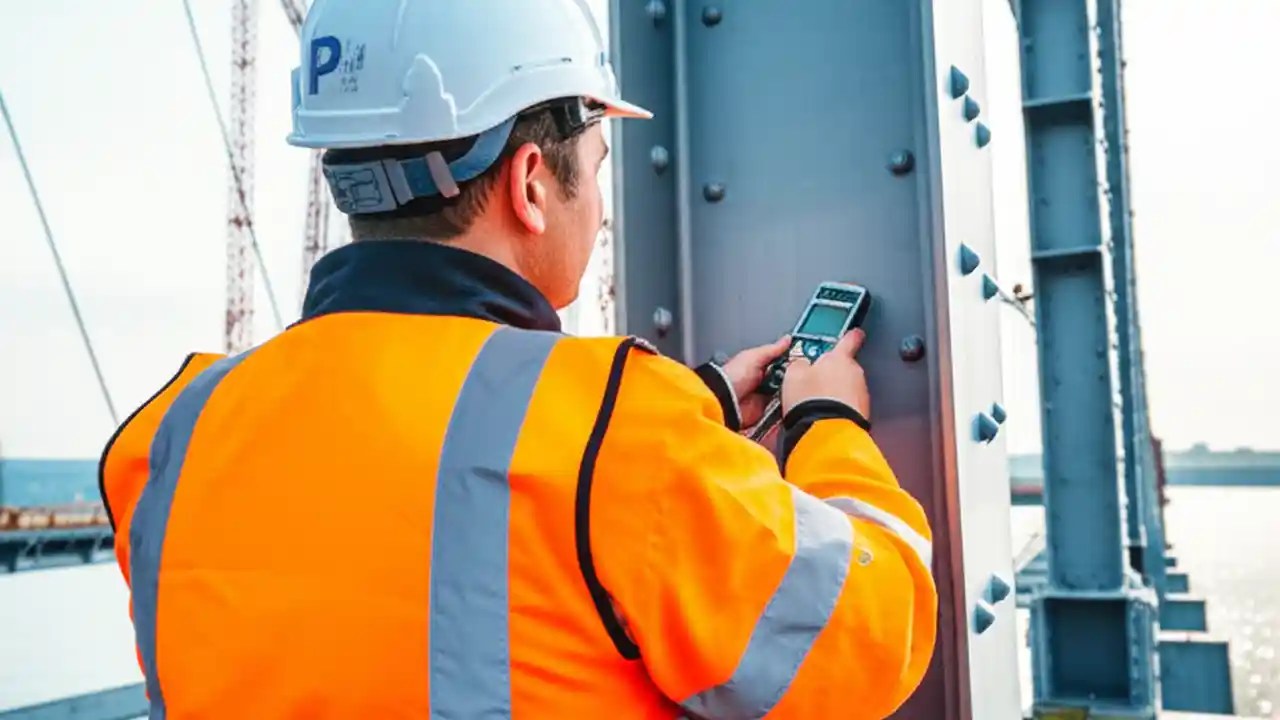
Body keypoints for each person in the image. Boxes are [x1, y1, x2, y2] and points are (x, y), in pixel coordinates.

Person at [98, 1, 937, 717]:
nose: (601, 211)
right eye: (598, 169)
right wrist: (828, 423)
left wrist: (698, 408)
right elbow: (866, 637)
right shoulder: (616, 432)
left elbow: (407, 506)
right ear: (533, 181)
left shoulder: (172, 433)